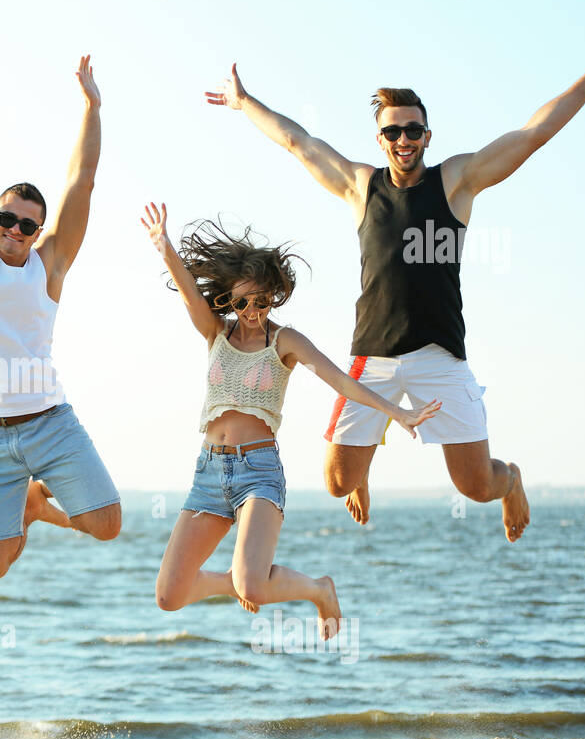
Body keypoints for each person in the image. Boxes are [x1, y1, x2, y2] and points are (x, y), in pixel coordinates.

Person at [206, 42, 585, 541]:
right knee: (336, 482)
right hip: (371, 359)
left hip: (440, 355)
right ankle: (368, 457)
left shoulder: (456, 182)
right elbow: (297, 142)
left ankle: (513, 480)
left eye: (412, 130)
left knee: (476, 486)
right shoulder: (360, 187)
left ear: (426, 135)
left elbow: (532, 135)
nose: (403, 139)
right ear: (381, 139)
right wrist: (245, 104)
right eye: (392, 131)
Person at [141, 203, 440, 637]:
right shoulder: (215, 333)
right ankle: (246, 579)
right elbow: (188, 291)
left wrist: (399, 412)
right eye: (242, 300)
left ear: (273, 296)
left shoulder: (284, 340)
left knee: (253, 585)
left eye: (261, 301)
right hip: (208, 473)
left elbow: (340, 380)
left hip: (258, 473)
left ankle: (318, 589)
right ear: (230, 297)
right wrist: (164, 247)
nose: (251, 309)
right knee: (169, 595)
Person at [0, 35, 121, 579]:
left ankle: (36, 503)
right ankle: (28, 508)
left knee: (108, 523)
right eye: (6, 219)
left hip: (49, 421)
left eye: (27, 225)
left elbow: (81, 180)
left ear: (38, 234)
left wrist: (92, 108)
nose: (15, 230)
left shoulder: (49, 267)